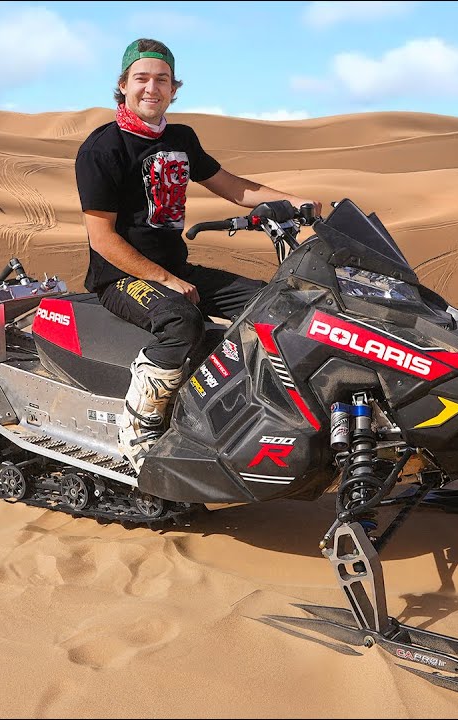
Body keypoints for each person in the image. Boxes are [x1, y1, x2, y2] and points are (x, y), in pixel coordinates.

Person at [75, 38, 320, 472]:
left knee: (272, 303)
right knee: (180, 320)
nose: (152, 88)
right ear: (123, 85)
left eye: (162, 79)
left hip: (176, 269)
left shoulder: (181, 138)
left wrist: (295, 201)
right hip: (121, 277)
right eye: (142, 78)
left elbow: (234, 187)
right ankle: (139, 428)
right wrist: (165, 280)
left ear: (174, 89)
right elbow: (102, 239)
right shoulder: (103, 149)